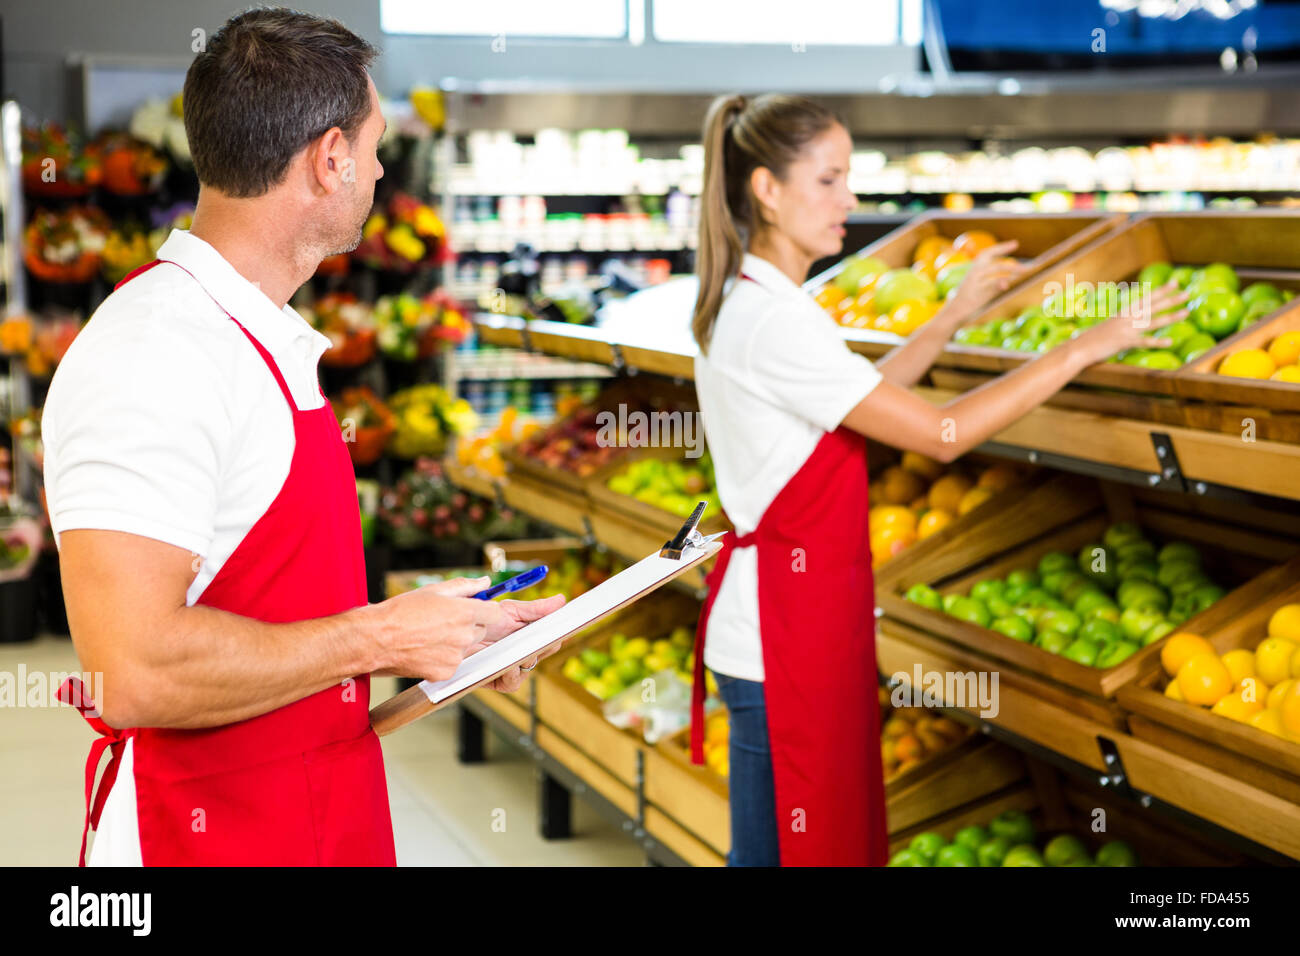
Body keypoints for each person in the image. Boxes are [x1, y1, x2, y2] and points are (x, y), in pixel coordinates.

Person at [42, 8, 563, 867]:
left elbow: (274, 617)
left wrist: (443, 638)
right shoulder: (156, 351)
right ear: (331, 159)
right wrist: (379, 638)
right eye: (376, 144)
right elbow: (131, 670)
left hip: (312, 812)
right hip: (201, 834)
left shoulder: (258, 334)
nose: (383, 168)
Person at [687, 93, 1187, 867]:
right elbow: (941, 435)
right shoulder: (776, 319)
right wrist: (1081, 349)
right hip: (782, 639)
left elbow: (854, 396)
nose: (850, 199)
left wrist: (948, 317)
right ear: (767, 189)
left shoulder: (753, 301)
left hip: (790, 621)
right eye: (830, 179)